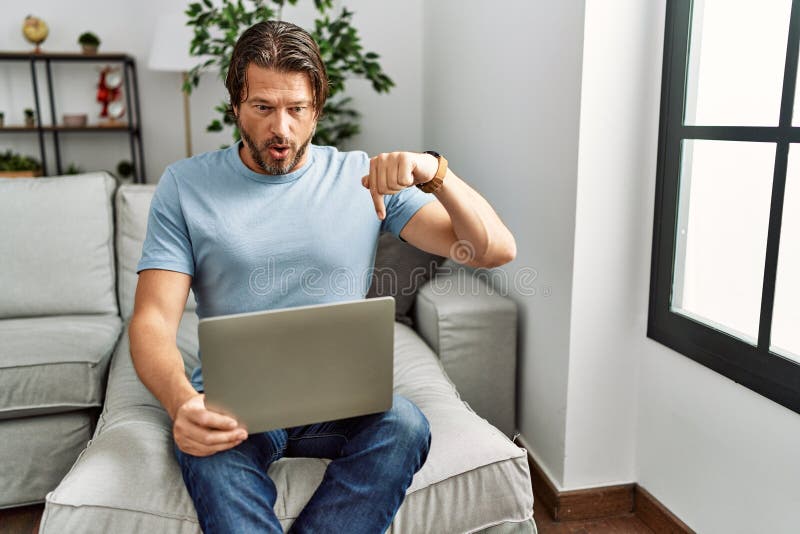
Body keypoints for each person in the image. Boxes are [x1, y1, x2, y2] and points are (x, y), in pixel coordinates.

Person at [129, 20, 516, 534]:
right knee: (208, 451)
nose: (281, 129)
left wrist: (435, 172)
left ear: (318, 110)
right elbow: (153, 320)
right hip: (236, 403)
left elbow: (494, 251)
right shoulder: (185, 186)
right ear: (235, 105)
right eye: (263, 108)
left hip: (343, 400)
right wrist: (183, 403)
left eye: (297, 110)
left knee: (404, 423)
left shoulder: (362, 179)